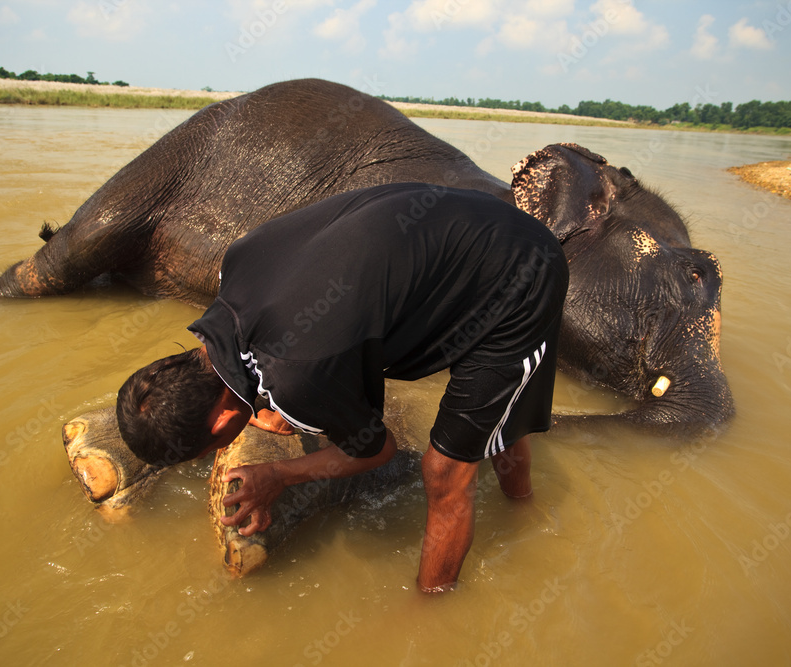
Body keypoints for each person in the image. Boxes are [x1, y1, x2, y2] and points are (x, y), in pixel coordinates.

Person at [116, 182, 568, 592]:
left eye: (206, 449)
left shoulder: (298, 371)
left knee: (444, 473)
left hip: (518, 276)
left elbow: (377, 450)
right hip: (466, 223)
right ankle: (523, 509)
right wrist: (277, 401)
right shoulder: (234, 266)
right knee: (497, 414)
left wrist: (279, 475)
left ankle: (433, 608)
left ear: (220, 422)